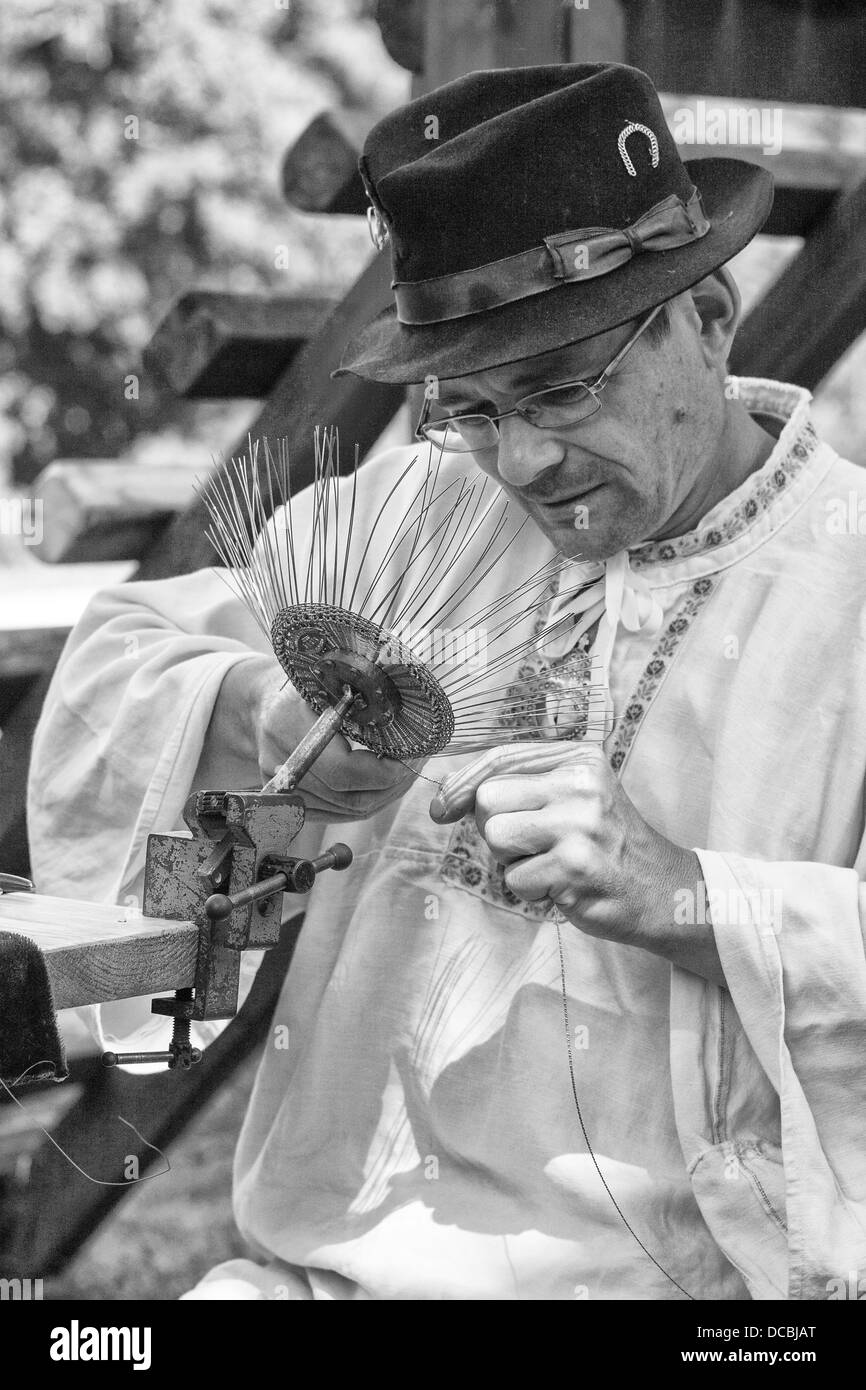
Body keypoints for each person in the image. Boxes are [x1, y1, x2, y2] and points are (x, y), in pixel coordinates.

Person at [28, 63, 866, 1300]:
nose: (519, 458)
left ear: (709, 316)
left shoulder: (844, 583)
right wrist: (266, 725)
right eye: (466, 406)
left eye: (561, 388)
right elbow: (125, 672)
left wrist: (686, 895)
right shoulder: (421, 509)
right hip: (332, 1274)